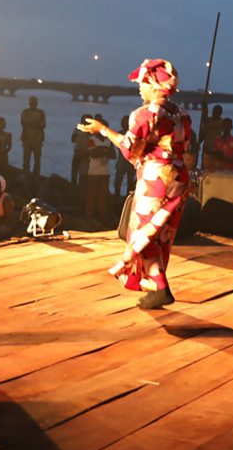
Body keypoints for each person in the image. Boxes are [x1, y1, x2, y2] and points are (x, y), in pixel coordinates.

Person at [77, 58, 192, 309]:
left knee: (143, 233)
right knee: (160, 234)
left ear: (153, 85)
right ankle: (156, 285)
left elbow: (131, 151)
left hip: (156, 180)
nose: (139, 88)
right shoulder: (181, 114)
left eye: (141, 83)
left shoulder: (144, 114)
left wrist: (103, 131)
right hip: (180, 178)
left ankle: (160, 288)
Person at [83, 120, 115, 223]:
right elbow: (93, 153)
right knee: (91, 194)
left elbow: (113, 155)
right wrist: (105, 151)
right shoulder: (91, 139)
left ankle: (102, 215)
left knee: (103, 195)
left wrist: (100, 150)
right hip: (93, 171)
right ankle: (89, 215)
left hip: (105, 172)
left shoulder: (109, 141)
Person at [20, 96, 46, 176]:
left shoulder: (41, 113)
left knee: (37, 160)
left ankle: (35, 176)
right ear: (29, 103)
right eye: (31, 103)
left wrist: (31, 125)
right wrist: (35, 125)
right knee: (26, 159)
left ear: (36, 103)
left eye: (34, 103)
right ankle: (26, 174)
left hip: (37, 140)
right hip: (27, 139)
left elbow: (42, 125)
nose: (33, 104)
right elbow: (24, 123)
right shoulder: (25, 112)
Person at [113, 114, 136, 197]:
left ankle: (124, 196)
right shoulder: (131, 134)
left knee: (126, 180)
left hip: (127, 160)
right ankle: (119, 195)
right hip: (125, 160)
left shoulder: (120, 134)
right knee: (120, 180)